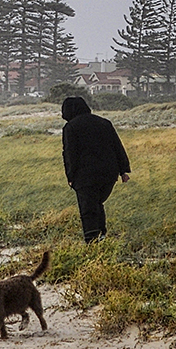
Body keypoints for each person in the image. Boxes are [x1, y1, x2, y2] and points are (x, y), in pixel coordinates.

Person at [61, 96, 131, 243]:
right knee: (97, 203)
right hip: (109, 174)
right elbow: (117, 146)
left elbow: (70, 153)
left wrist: (70, 176)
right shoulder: (104, 123)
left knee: (88, 208)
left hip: (84, 175)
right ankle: (102, 235)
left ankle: (92, 240)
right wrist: (123, 170)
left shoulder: (71, 127)